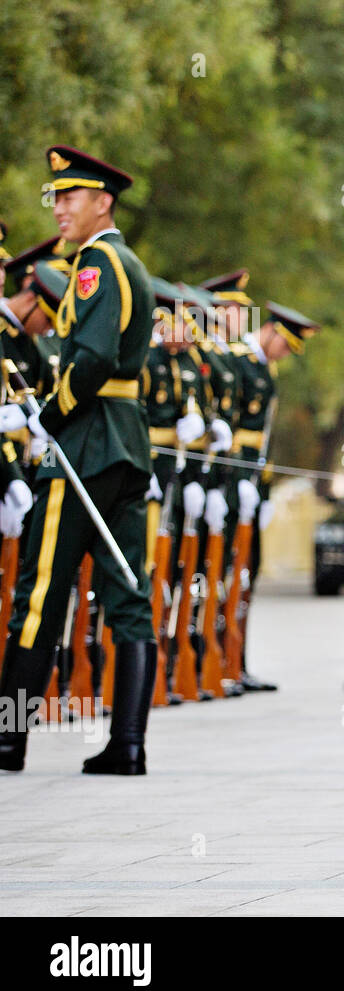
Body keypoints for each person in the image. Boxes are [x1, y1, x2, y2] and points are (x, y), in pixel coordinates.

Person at [0, 147, 156, 774]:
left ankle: (8, 738)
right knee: (127, 593)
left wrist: (49, 414)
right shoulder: (132, 265)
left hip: (84, 445)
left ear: (103, 203)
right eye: (56, 197)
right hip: (124, 442)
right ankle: (129, 744)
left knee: (40, 596)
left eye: (71, 197)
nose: (59, 208)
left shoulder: (95, 263)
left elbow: (89, 361)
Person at [226, 298, 321, 692]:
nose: (285, 353)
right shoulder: (236, 361)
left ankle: (236, 660)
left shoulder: (264, 368)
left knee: (245, 572)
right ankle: (212, 660)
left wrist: (260, 490)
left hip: (250, 483)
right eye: (285, 344)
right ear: (271, 331)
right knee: (221, 574)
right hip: (226, 481)